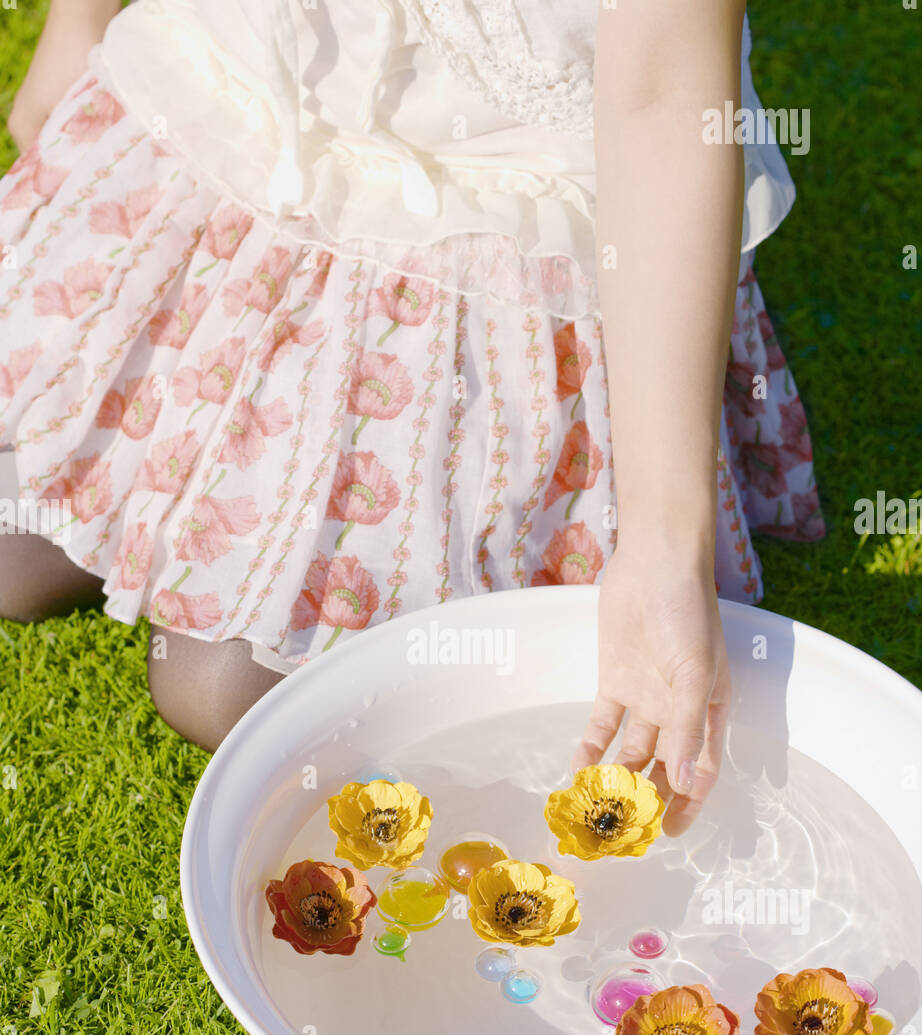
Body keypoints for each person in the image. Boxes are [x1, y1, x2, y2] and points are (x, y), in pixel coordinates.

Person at [0, 0, 823, 833]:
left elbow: (663, 100)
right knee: (13, 545)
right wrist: (78, 22)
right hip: (231, 101)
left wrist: (661, 547)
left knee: (223, 682)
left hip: (495, 206)